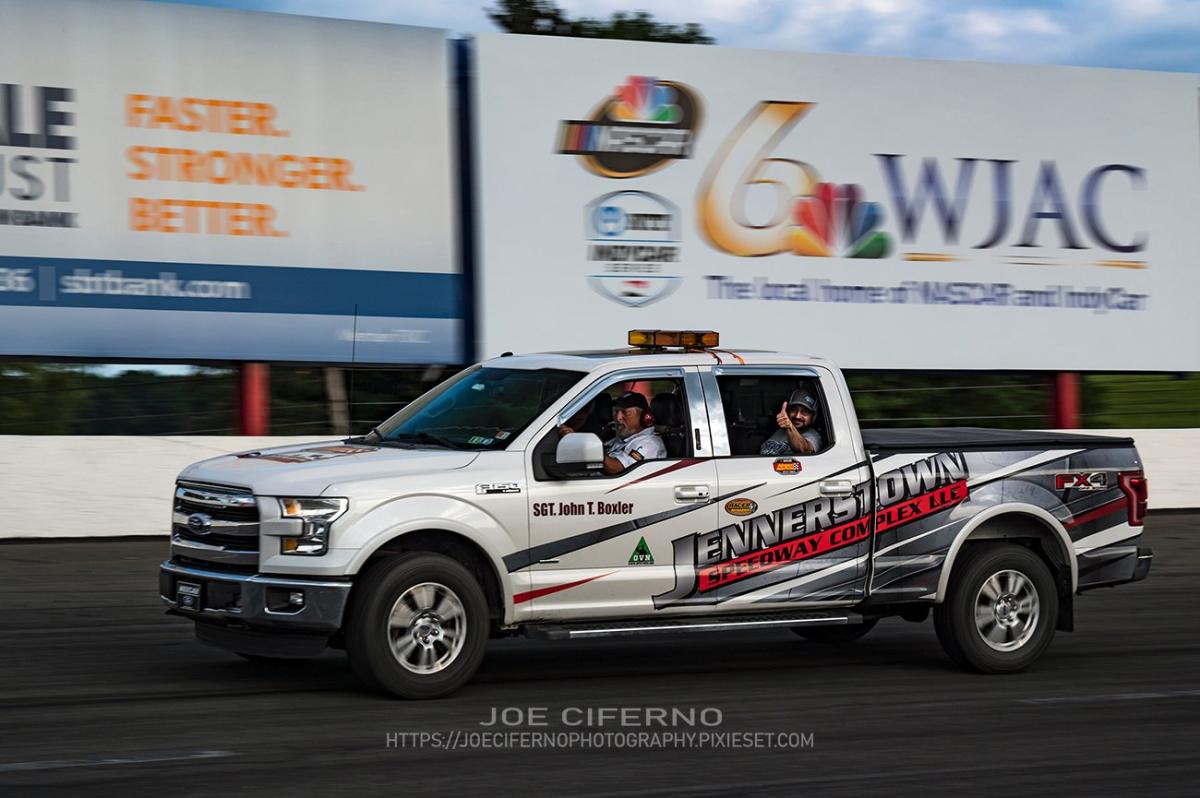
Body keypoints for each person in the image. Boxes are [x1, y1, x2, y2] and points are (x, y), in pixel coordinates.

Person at [603, 391, 666, 474]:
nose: (618, 418)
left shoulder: (650, 444)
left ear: (645, 417)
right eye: (615, 412)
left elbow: (617, 469)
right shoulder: (620, 439)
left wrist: (591, 451)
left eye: (626, 412)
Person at [760, 388, 823, 456]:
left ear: (813, 417)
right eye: (793, 409)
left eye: (805, 411)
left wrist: (789, 427)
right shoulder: (779, 432)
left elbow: (804, 449)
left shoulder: (814, 436)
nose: (797, 416)